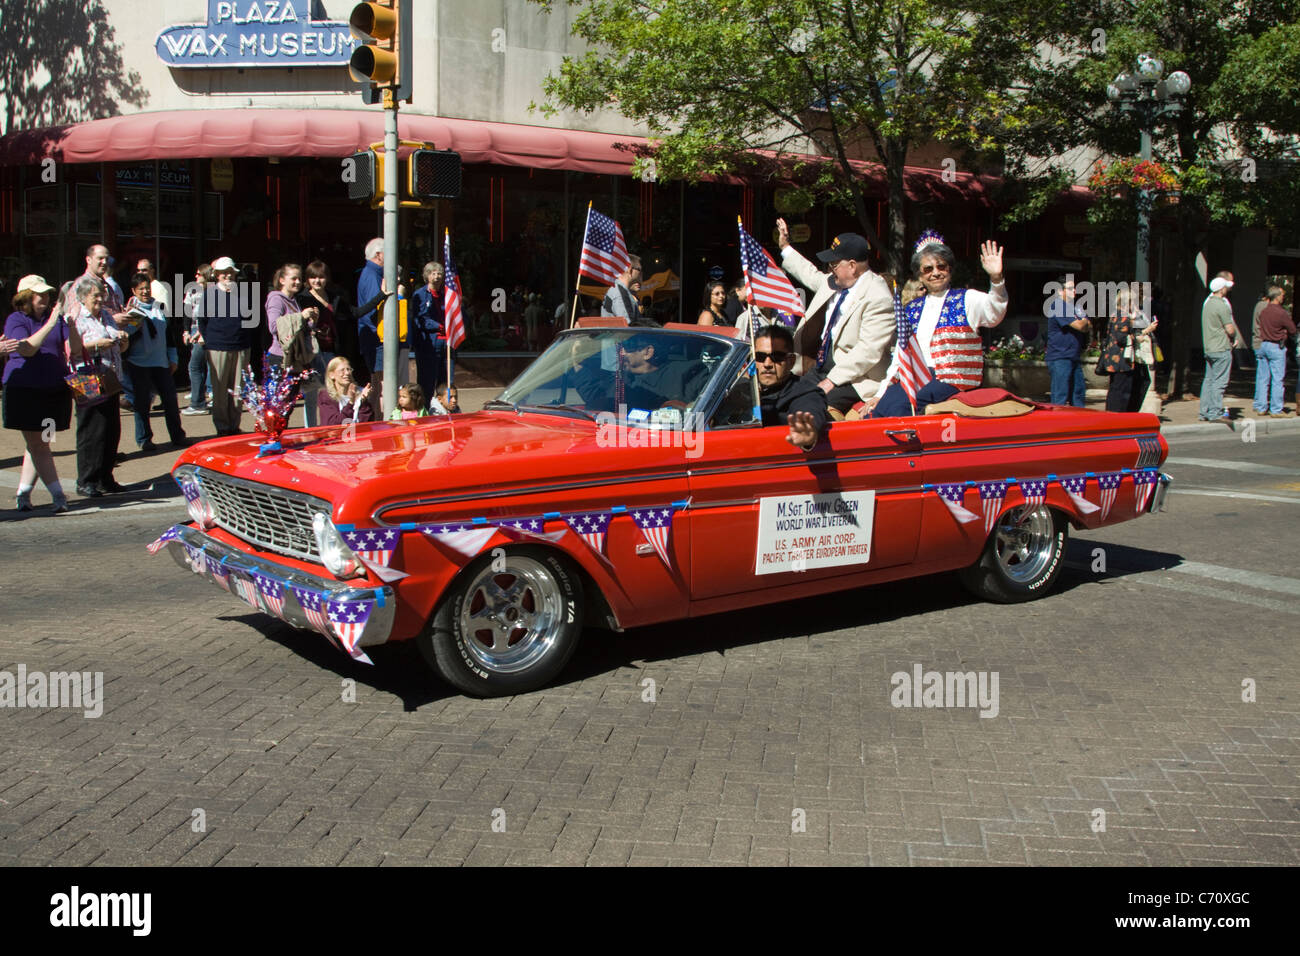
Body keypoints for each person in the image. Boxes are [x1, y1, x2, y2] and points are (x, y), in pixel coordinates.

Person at [868, 232, 1008, 417]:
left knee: (904, 405)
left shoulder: (967, 298)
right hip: (917, 376)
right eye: (928, 269)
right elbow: (900, 358)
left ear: (949, 269)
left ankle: (910, 445)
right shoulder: (911, 309)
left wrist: (996, 279)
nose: (935, 273)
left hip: (953, 379)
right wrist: (880, 393)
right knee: (881, 407)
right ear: (920, 275)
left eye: (941, 266)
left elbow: (995, 313)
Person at [776, 220, 895, 414]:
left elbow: (868, 351)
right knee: (786, 398)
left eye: (834, 263)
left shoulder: (878, 296)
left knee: (810, 406)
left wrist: (832, 380)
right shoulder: (835, 282)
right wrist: (785, 247)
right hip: (822, 366)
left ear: (852, 266)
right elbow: (810, 274)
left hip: (855, 377)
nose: (830, 268)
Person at [2, 275, 78, 513]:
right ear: (26, 297)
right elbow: (27, 349)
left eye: (47, 293)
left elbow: (74, 349)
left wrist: (72, 324)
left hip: (54, 391)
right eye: (39, 294)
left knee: (39, 443)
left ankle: (23, 494)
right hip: (25, 391)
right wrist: (52, 322)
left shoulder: (54, 319)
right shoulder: (16, 319)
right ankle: (58, 496)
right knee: (39, 445)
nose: (45, 297)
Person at [71, 275, 129, 497]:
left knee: (111, 427)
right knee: (90, 429)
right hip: (85, 376)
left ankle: (106, 477)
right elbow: (72, 349)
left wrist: (122, 341)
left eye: (102, 295)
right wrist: (96, 345)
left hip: (109, 376)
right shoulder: (76, 318)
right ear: (84, 297)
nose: (100, 299)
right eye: (96, 295)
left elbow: (119, 347)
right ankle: (86, 480)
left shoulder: (106, 315)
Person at [123, 271, 188, 452]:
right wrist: (132, 321)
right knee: (142, 403)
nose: (145, 292)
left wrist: (173, 358)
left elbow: (168, 336)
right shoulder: (132, 312)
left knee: (170, 400)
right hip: (139, 363)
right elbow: (126, 336)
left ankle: (177, 435)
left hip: (160, 362)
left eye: (147, 288)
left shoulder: (159, 308)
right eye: (140, 289)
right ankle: (144, 439)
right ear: (133, 291)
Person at [753, 324, 828, 452]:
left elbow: (810, 411)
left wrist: (808, 433)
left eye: (776, 357)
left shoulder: (804, 392)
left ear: (791, 361)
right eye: (760, 357)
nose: (767, 364)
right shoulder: (738, 390)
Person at [265, 262, 323, 426]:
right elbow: (274, 327)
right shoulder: (276, 299)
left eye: (299, 279)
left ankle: (279, 437)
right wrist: (301, 317)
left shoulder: (293, 300)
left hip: (295, 360)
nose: (298, 282)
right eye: (293, 278)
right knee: (278, 407)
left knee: (288, 406)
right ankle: (273, 438)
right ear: (282, 280)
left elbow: (298, 329)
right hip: (280, 359)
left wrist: (311, 321)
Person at [198, 256, 250, 436]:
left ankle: (234, 426)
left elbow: (250, 320)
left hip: (241, 347)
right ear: (217, 275)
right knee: (219, 391)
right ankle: (222, 428)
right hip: (217, 347)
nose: (227, 276)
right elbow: (202, 321)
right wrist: (211, 342)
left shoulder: (243, 293)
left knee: (237, 391)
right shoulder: (209, 294)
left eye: (230, 272)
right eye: (223, 273)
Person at [1097, 288, 1157, 413]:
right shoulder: (1123, 316)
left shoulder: (1119, 315)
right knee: (1120, 391)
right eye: (1134, 301)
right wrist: (1145, 331)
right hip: (1121, 361)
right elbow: (1122, 338)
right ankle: (1117, 417)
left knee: (1119, 389)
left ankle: (1117, 416)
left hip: (1118, 360)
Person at [1045, 275, 1091, 406]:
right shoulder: (1058, 306)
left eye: (1075, 288)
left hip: (1073, 356)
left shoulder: (1076, 307)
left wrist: (1084, 323)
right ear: (1060, 291)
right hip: (1060, 357)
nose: (1075, 291)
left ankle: (1079, 424)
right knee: (1060, 397)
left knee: (1078, 394)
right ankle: (1056, 424)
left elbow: (1089, 326)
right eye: (1070, 288)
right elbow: (1081, 325)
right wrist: (1084, 322)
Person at [1198, 271, 1237, 421]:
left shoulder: (1207, 303)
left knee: (1208, 380)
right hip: (1221, 348)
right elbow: (1230, 328)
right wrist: (1234, 337)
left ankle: (1204, 412)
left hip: (1209, 347)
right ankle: (1214, 412)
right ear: (1222, 289)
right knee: (1219, 382)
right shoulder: (1222, 305)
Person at [1253, 286, 1295, 417]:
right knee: (1277, 379)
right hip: (1276, 346)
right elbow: (1292, 329)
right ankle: (1276, 409)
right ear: (1277, 297)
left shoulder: (1264, 310)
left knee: (1262, 378)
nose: (1283, 297)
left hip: (1263, 344)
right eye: (1282, 295)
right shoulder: (1281, 312)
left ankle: (1260, 407)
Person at [356, 237, 388, 400]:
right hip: (376, 339)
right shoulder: (371, 275)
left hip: (373, 338)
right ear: (379, 255)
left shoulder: (371, 273)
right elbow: (372, 309)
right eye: (388, 252)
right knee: (381, 385)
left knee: (378, 384)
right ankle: (379, 422)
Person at [410, 261, 446, 400]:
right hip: (429, 345)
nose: (437, 276)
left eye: (439, 273)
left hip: (446, 344)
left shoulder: (446, 295)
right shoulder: (419, 295)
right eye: (433, 273)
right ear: (427, 276)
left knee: (445, 382)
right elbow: (420, 319)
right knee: (427, 381)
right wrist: (439, 326)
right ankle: (424, 412)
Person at [182, 264, 212, 415]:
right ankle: (199, 398)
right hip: (195, 329)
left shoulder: (212, 291)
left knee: (195, 366)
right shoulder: (192, 289)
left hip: (205, 331)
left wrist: (201, 331)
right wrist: (186, 331)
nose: (196, 276)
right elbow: (187, 310)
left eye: (199, 274)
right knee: (199, 365)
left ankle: (198, 402)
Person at [317, 356, 374, 427]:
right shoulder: (326, 396)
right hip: (336, 436)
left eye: (349, 369)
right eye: (342, 370)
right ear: (331, 375)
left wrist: (363, 401)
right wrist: (351, 403)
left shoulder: (360, 392)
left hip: (357, 435)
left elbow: (366, 423)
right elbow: (334, 425)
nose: (347, 373)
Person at [601, 256, 643, 323]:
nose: (640, 273)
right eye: (639, 269)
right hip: (619, 333)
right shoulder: (620, 293)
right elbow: (628, 325)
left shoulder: (622, 290)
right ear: (630, 270)